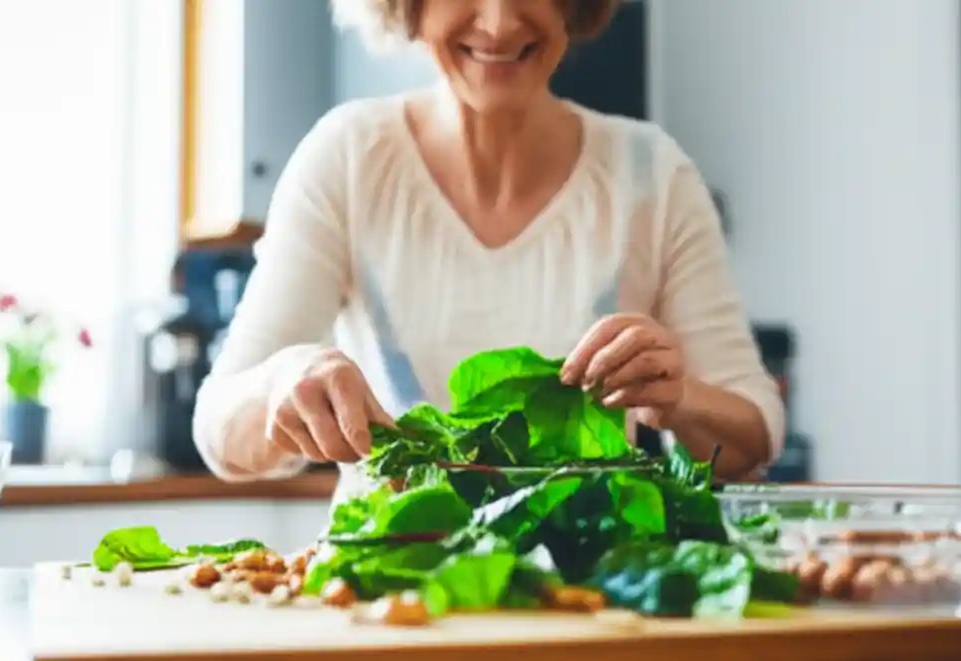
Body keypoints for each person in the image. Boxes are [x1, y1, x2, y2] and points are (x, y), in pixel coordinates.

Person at [193, 0, 785, 503]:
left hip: (591, 606)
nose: (499, 24)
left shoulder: (652, 175)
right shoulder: (348, 157)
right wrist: (279, 383)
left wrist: (678, 399)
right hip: (389, 604)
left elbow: (753, 439)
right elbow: (221, 434)